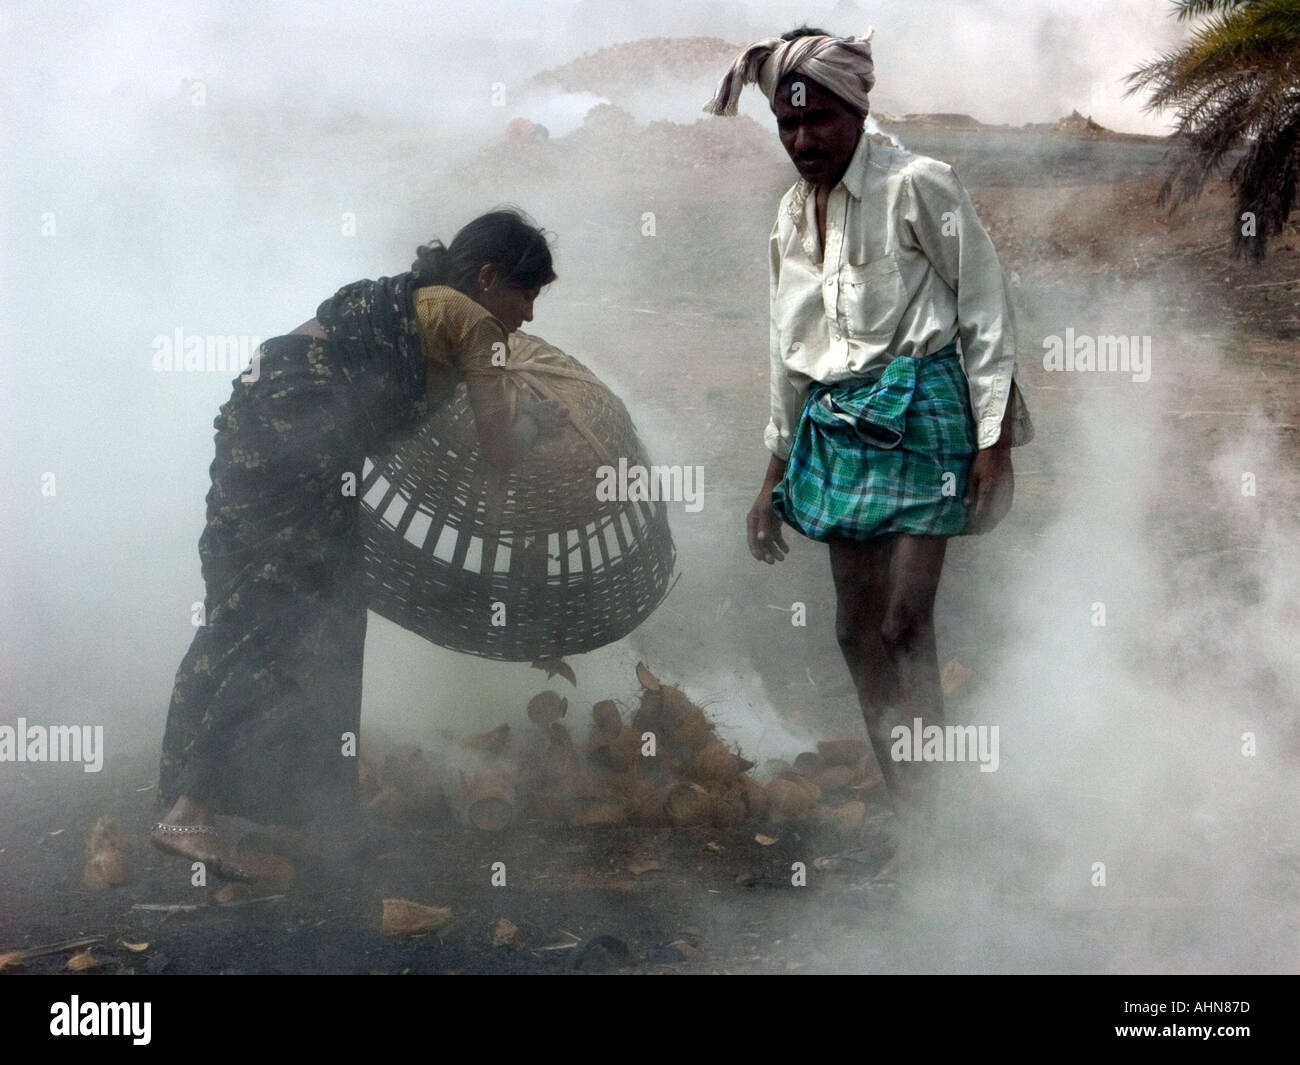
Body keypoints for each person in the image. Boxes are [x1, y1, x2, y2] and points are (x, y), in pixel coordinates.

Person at [705, 28, 1033, 874]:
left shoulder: (919, 186)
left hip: (926, 410)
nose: (803, 141)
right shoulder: (786, 215)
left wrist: (992, 442)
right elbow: (785, 344)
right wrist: (771, 474)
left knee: (904, 624)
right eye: (787, 125)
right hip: (837, 421)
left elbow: (986, 307)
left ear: (855, 111)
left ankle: (947, 825)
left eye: (818, 123)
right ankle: (913, 818)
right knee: (854, 633)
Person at [152, 208, 564, 880]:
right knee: (288, 623)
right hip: (301, 448)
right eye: (527, 293)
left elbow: (397, 400)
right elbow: (495, 447)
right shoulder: (476, 322)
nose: (529, 314)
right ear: (489, 277)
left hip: (255, 427)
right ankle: (191, 809)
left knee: (268, 611)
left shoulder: (408, 298)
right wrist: (535, 428)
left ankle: (306, 813)